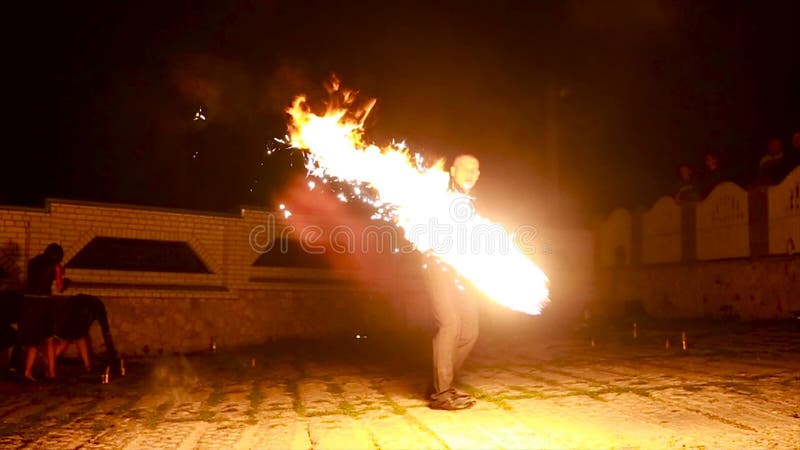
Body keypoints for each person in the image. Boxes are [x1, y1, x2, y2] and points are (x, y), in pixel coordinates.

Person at [425, 154, 481, 410]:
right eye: (465, 168)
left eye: (475, 169)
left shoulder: (470, 201)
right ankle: (442, 392)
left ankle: (439, 383)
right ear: (452, 171)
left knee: (470, 330)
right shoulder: (440, 193)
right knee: (450, 323)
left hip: (463, 272)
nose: (471, 173)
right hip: (438, 266)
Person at [19, 243, 64, 381]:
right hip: (44, 304)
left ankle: (28, 371)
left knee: (33, 340)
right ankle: (51, 372)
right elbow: (60, 287)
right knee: (49, 339)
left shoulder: (33, 263)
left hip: (28, 303)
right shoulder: (55, 267)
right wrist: (61, 275)